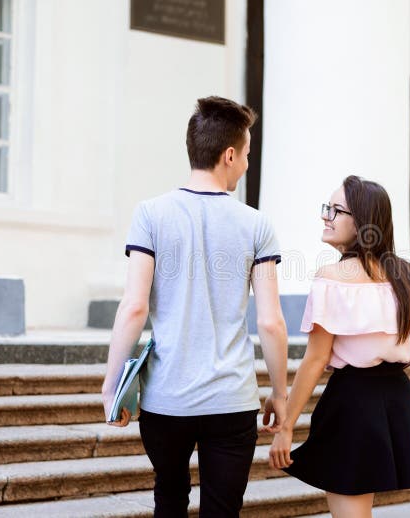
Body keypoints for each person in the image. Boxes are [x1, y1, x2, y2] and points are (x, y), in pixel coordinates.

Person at [101, 96, 289, 517]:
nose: (246, 164)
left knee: (169, 496)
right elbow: (271, 322)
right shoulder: (256, 224)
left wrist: (112, 384)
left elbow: (133, 307)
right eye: (246, 155)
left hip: (166, 399)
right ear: (228, 154)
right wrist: (280, 394)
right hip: (232, 399)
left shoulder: (149, 214)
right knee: (223, 510)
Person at [269, 175, 410, 517]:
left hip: (352, 403)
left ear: (362, 221)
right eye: (327, 208)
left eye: (336, 210)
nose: (325, 216)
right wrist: (381, 356)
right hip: (396, 400)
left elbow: (315, 360)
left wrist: (286, 427)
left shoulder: (332, 278)